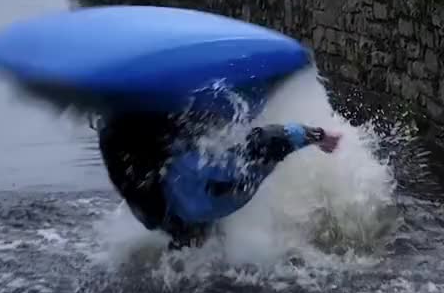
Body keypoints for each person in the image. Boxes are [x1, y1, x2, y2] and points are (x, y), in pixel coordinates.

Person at [97, 106, 341, 249]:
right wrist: (320, 136)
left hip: (162, 168)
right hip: (172, 167)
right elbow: (270, 140)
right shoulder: (226, 182)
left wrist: (319, 137)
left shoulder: (163, 213)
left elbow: (271, 141)